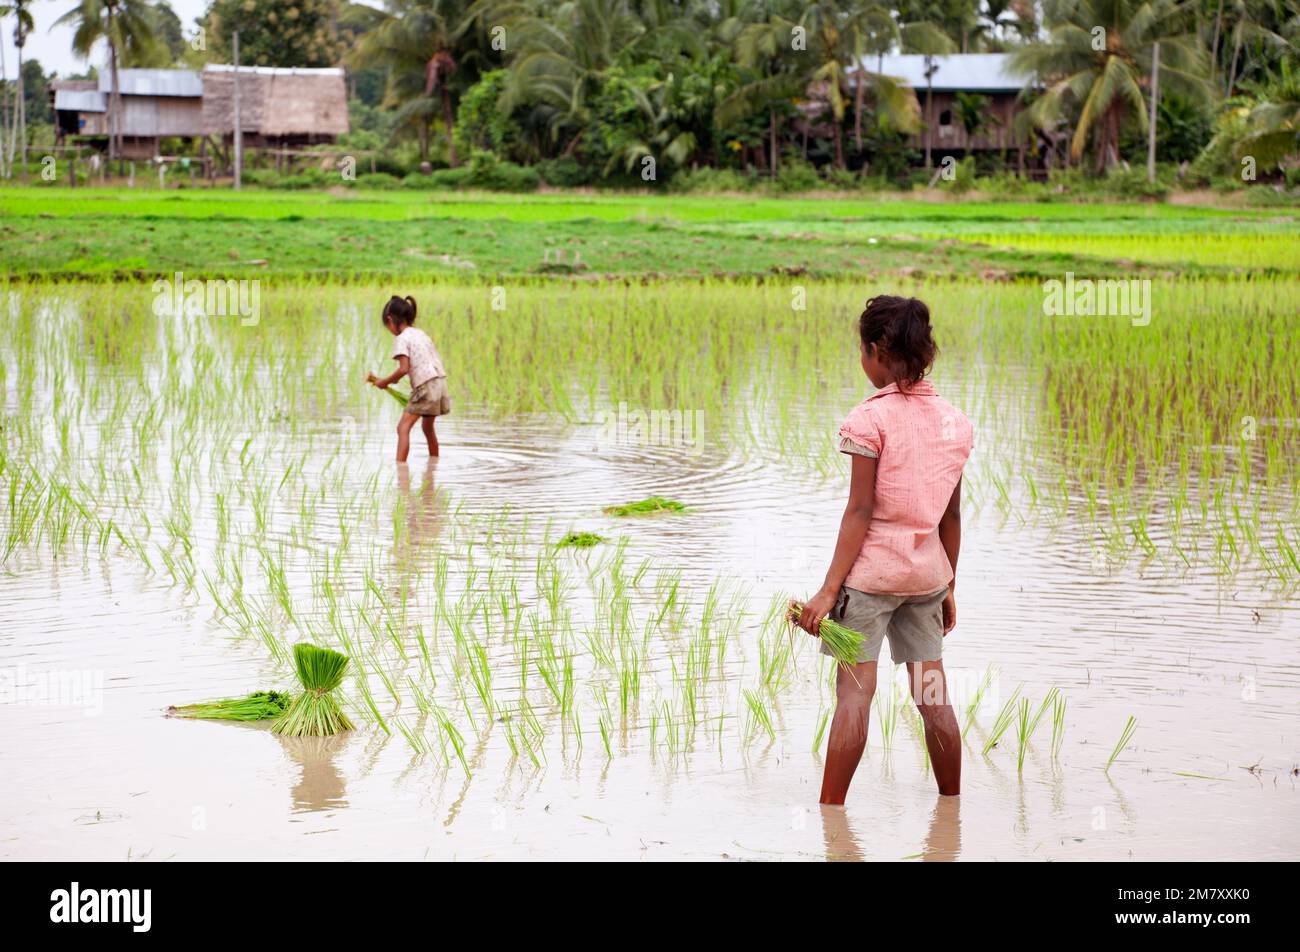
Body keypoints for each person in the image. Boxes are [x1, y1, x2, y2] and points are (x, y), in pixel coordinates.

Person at [796, 295, 973, 803]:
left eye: (862, 351)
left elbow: (860, 511)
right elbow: (952, 516)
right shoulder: (955, 423)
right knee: (932, 695)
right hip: (927, 579)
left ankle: (832, 818)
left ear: (875, 350)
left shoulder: (868, 420)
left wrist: (828, 592)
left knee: (855, 693)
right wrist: (948, 587)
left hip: (871, 579)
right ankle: (950, 812)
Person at [367, 295, 450, 461]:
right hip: (440, 384)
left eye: (387, 326)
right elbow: (419, 363)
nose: (389, 331)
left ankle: (401, 470)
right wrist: (394, 379)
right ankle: (433, 466)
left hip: (425, 386)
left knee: (402, 428)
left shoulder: (401, 338)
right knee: (428, 429)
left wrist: (384, 381)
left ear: (390, 320)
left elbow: (404, 369)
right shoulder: (420, 334)